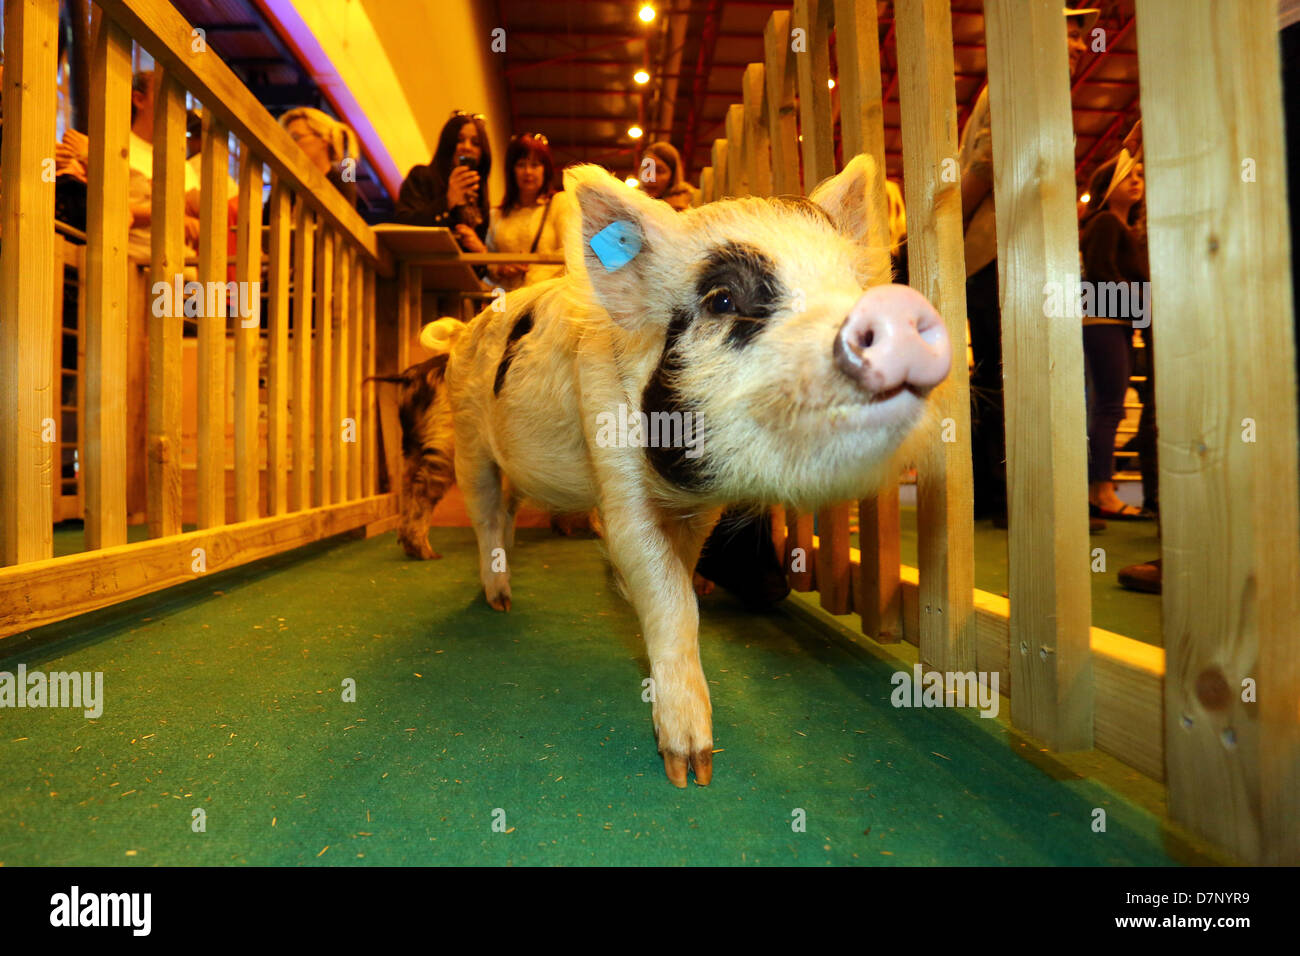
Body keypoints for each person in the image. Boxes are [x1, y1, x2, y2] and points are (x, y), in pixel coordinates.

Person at [959, 6, 1098, 528]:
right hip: (998, 251)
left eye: (1082, 34)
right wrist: (943, 235)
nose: (1081, 43)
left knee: (1006, 368)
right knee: (1006, 370)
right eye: (1068, 29)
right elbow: (985, 166)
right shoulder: (1020, 82)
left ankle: (1002, 490)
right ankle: (1001, 492)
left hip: (1009, 250)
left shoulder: (1027, 85)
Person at [1080, 148, 1151, 522]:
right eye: (1128, 176)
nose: (1137, 180)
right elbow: (1100, 273)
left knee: (1107, 407)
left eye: (1139, 174)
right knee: (1109, 408)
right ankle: (1103, 490)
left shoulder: (1117, 225)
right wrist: (1145, 308)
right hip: (1104, 321)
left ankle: (1099, 490)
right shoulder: (1107, 223)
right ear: (1108, 187)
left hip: (1113, 321)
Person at [394, 110, 492, 256]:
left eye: (476, 143)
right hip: (422, 272)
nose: (467, 147)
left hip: (461, 276)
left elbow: (479, 268)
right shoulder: (421, 176)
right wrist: (447, 202)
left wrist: (479, 249)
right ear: (448, 144)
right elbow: (403, 226)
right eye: (459, 140)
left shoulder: (480, 199)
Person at [485, 133, 571, 292]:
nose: (528, 172)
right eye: (521, 164)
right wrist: (501, 269)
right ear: (511, 171)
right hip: (506, 303)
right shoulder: (496, 216)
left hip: (547, 300)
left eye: (535, 165)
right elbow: (486, 266)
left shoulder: (560, 204)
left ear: (545, 170)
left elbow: (569, 255)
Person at [278, 106, 360, 206]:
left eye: (296, 137)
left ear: (323, 139)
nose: (290, 145)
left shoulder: (341, 185)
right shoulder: (287, 182)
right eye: (287, 140)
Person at [638, 141, 695, 211]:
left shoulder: (682, 211)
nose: (649, 177)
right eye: (646, 168)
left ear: (672, 177)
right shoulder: (630, 205)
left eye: (659, 171)